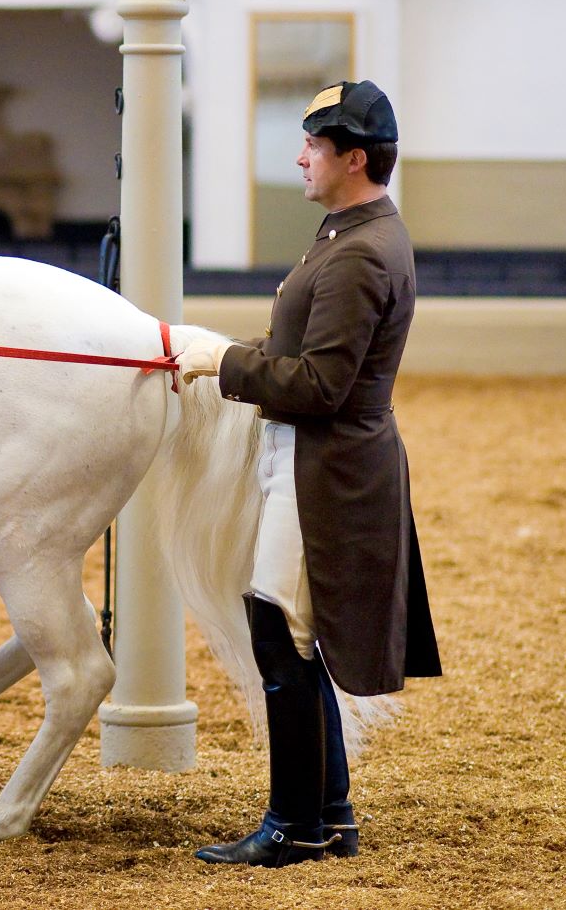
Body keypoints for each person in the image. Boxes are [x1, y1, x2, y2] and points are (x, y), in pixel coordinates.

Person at [178, 79, 442, 867]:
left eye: (314, 146)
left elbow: (322, 385)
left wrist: (223, 362)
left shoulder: (361, 251)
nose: (299, 156)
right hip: (308, 460)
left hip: (323, 469)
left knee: (281, 634)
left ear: (353, 158)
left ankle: (296, 825)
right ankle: (327, 814)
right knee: (288, 635)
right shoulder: (347, 232)